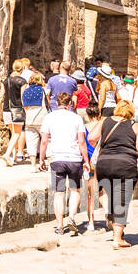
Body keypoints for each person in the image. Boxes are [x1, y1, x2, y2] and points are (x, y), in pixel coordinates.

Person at [94, 101, 138, 249]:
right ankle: (118, 238)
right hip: (124, 165)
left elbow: (92, 138)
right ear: (131, 112)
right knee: (122, 199)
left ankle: (113, 225)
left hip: (104, 164)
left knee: (112, 196)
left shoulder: (105, 121)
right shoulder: (135, 126)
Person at [39, 92, 89, 236]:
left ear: (56, 103)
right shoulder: (77, 118)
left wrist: (41, 159)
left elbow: (44, 141)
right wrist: (86, 160)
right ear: (70, 104)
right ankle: (72, 218)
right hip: (74, 159)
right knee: (75, 191)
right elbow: (81, 141)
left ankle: (60, 225)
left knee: (59, 194)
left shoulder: (49, 117)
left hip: (57, 159)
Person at [82, 100, 104, 231]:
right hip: (103, 160)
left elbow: (82, 144)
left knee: (90, 194)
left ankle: (91, 223)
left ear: (88, 114)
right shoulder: (104, 126)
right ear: (99, 113)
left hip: (90, 162)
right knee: (102, 191)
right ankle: (108, 215)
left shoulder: (84, 127)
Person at [22, 72, 48, 172]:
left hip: (29, 119)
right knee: (47, 141)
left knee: (31, 142)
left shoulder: (25, 91)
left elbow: (25, 106)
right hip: (42, 118)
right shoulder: (44, 90)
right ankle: (46, 162)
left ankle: (33, 165)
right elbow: (48, 102)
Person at [3, 61, 27, 165]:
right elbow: (23, 97)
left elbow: (1, 95)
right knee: (17, 133)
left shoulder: (6, 80)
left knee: (13, 134)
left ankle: (13, 157)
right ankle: (7, 154)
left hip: (6, 109)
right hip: (17, 109)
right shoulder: (22, 81)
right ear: (22, 69)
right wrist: (26, 110)